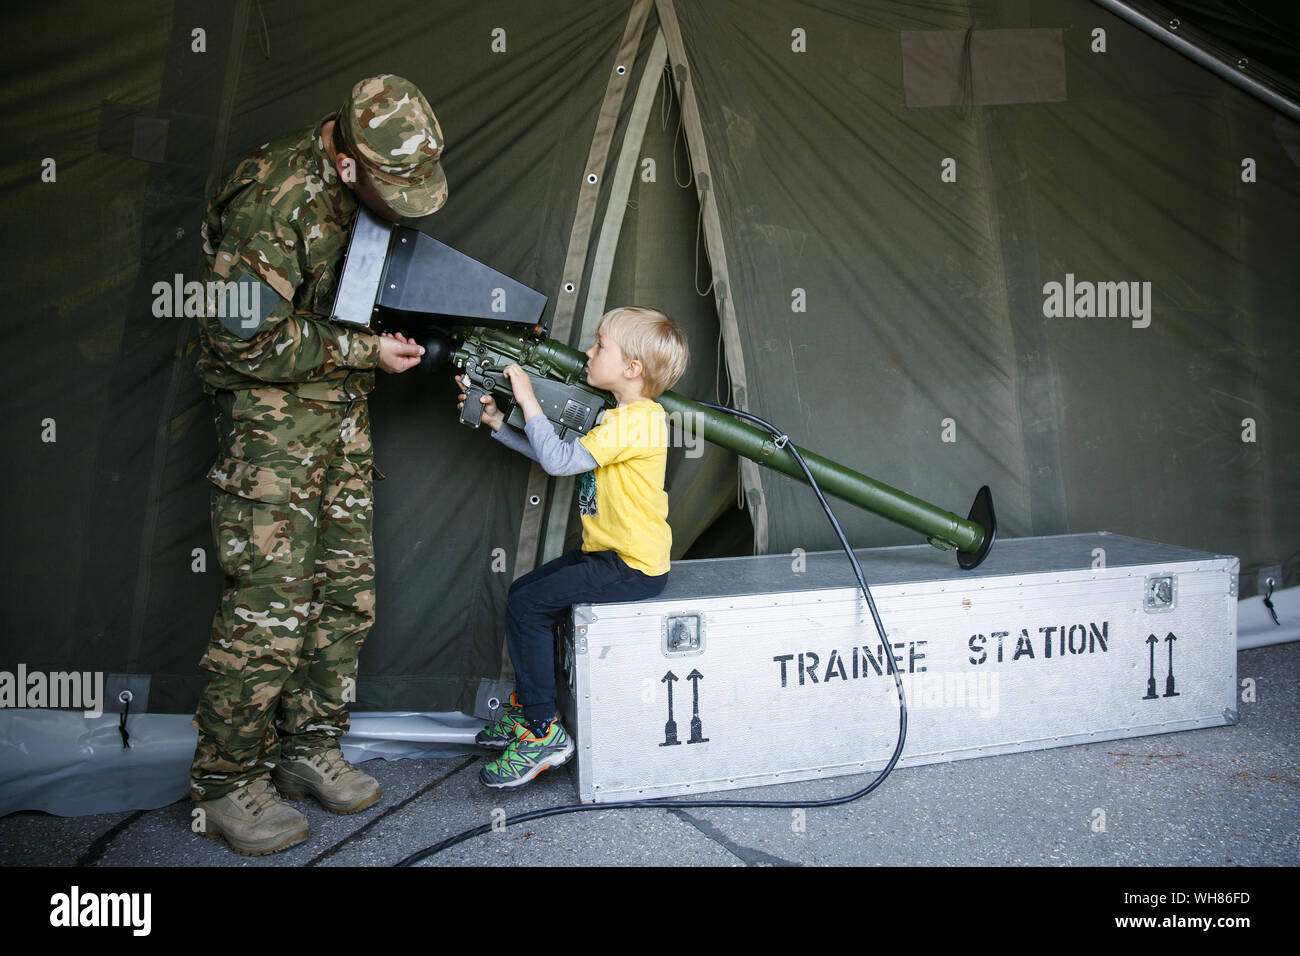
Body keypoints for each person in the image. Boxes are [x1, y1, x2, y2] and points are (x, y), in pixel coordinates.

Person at [190, 74, 446, 855]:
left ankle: (309, 747)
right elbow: (239, 338)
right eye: (391, 191)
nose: (399, 207)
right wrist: (364, 352)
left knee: (345, 596)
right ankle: (227, 782)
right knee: (268, 608)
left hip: (339, 418)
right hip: (270, 432)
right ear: (345, 164)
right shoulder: (273, 200)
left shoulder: (362, 185)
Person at [456, 307, 689, 789]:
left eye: (600, 345)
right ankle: (530, 711)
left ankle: (543, 731)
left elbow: (559, 462)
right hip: (607, 555)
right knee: (524, 594)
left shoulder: (638, 422)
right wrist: (499, 422)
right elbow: (559, 457)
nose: (588, 351)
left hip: (630, 566)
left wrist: (528, 398)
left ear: (632, 368)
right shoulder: (621, 417)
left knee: (527, 605)